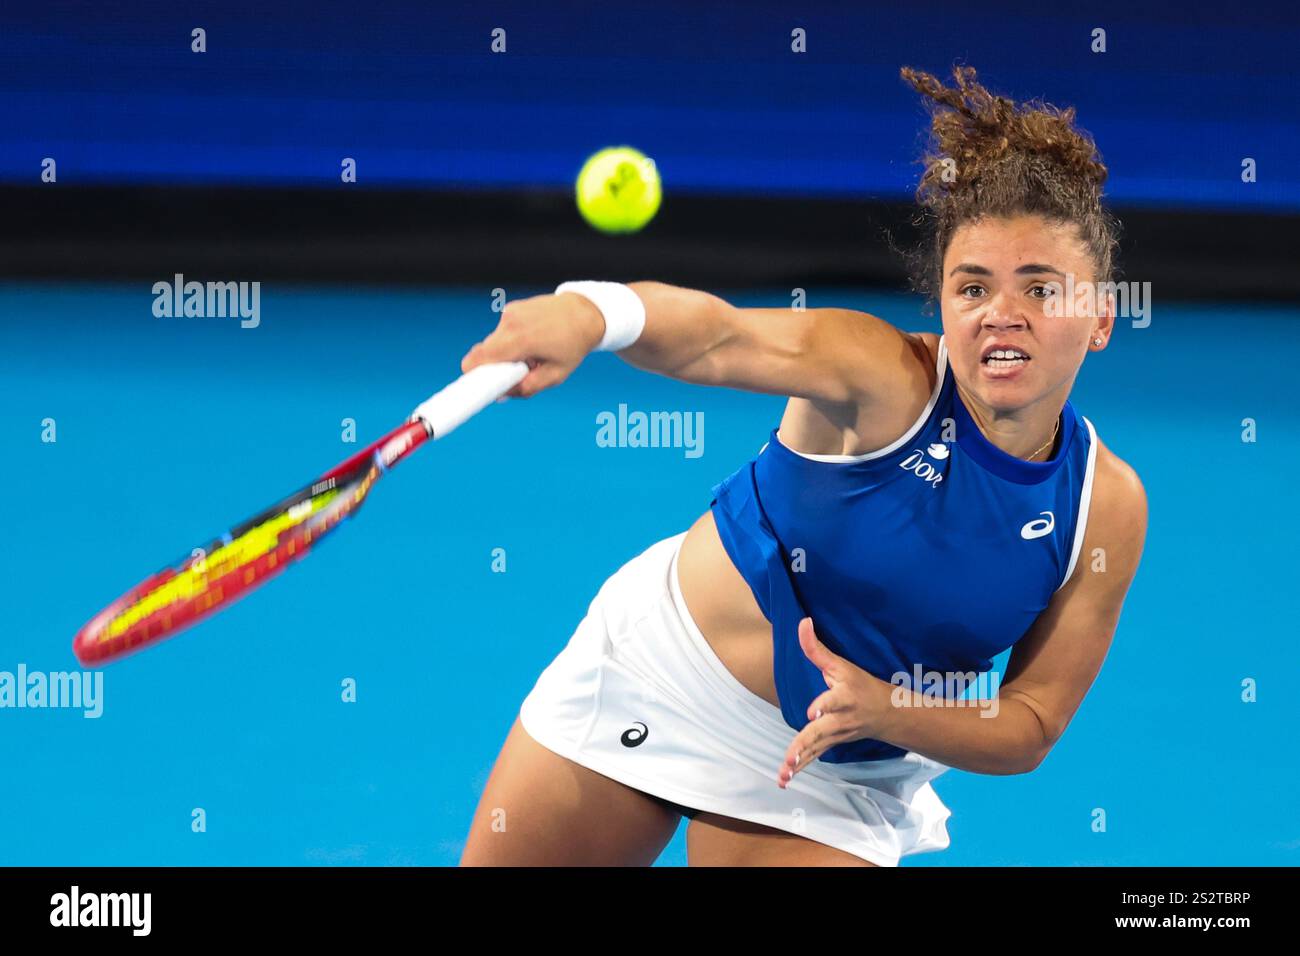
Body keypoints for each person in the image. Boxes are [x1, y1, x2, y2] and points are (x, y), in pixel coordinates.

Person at [459, 64, 1148, 867]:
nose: (1002, 312)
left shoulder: (1105, 505)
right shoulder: (880, 376)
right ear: (945, 306)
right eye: (972, 287)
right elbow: (720, 338)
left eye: (1040, 288)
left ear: (1101, 316)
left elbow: (1029, 724)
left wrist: (885, 710)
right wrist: (593, 312)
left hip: (836, 765)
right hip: (662, 670)